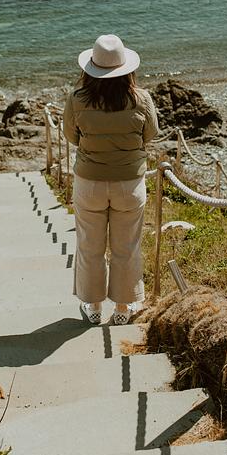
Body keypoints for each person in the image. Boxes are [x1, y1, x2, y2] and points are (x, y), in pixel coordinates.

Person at [63, 34, 159, 326]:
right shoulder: (141, 99)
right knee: (126, 247)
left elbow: (71, 136)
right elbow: (150, 134)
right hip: (129, 184)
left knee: (89, 245)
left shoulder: (77, 99)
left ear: (90, 68)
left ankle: (92, 307)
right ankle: (122, 307)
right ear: (127, 69)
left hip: (89, 183)